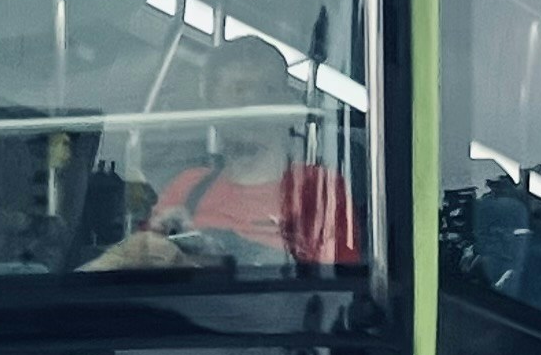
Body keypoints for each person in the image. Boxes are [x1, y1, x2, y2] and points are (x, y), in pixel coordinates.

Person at [89, 35, 361, 272]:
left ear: (284, 102)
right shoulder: (189, 186)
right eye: (237, 91)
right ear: (212, 106)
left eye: (266, 90)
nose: (251, 102)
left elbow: (333, 290)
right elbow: (133, 263)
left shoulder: (319, 189)